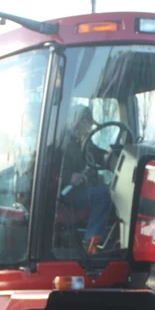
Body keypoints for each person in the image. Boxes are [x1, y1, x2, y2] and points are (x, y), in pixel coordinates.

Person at [58, 105, 115, 252]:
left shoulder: (85, 142)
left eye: (89, 123)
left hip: (82, 188)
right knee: (104, 196)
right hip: (66, 192)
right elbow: (51, 169)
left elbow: (100, 156)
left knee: (113, 192)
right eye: (86, 122)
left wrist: (114, 157)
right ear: (78, 121)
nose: (89, 127)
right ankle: (91, 242)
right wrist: (69, 177)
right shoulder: (62, 142)